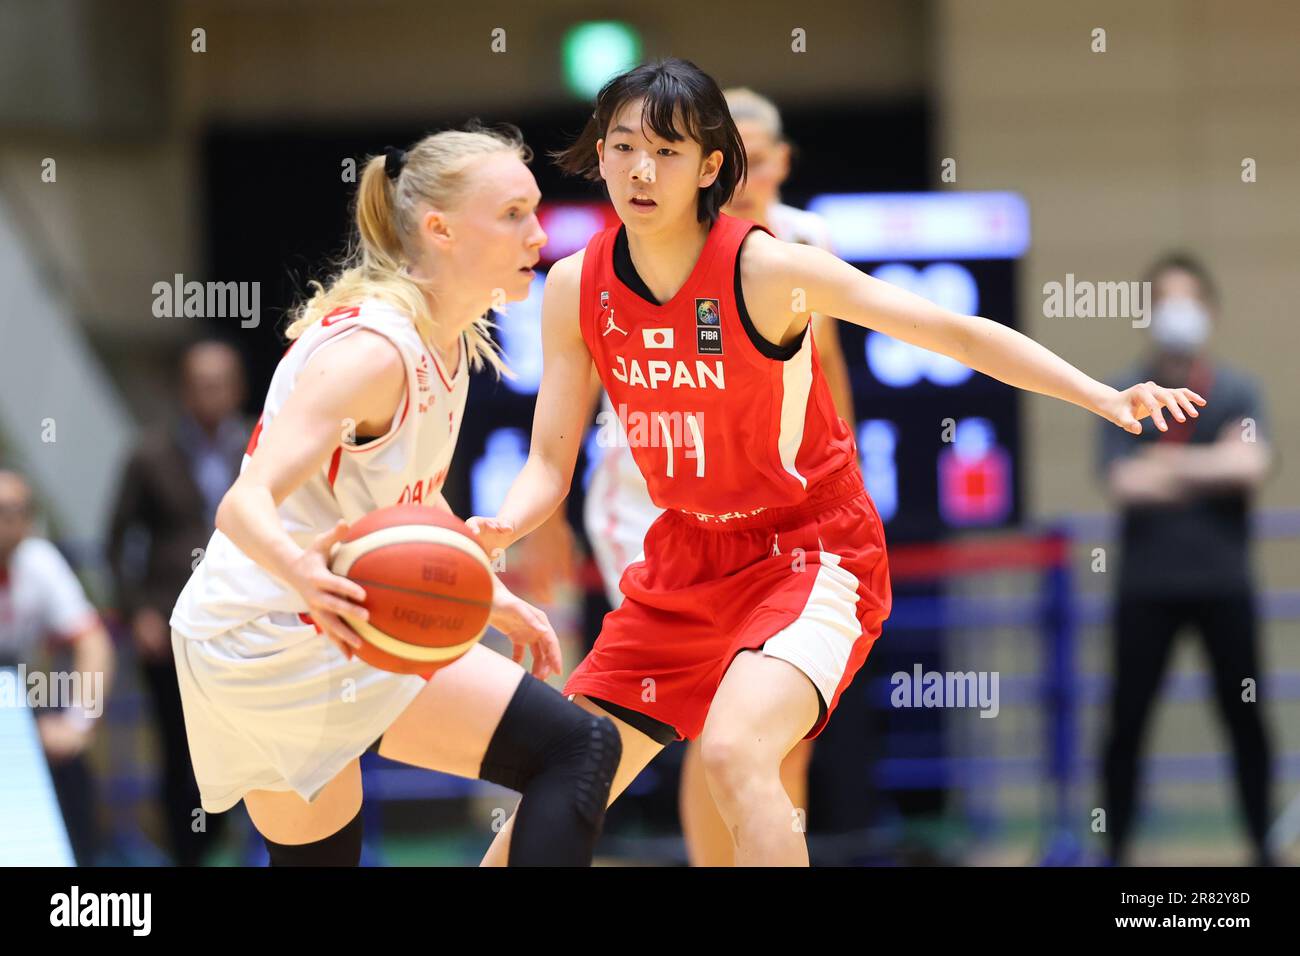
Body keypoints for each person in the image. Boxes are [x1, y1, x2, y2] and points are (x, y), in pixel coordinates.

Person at [472, 58, 1203, 866]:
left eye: (668, 152)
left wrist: (1098, 393)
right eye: (623, 147)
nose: (641, 171)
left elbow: (951, 333)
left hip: (809, 552)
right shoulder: (576, 287)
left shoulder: (767, 268)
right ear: (598, 154)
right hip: (683, 558)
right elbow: (549, 461)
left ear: (712, 167)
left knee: (736, 749)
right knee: (565, 774)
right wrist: (503, 522)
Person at [168, 125, 620, 867]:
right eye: (512, 214)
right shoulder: (376, 352)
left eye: (535, 211)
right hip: (266, 632)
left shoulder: (446, 338)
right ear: (438, 228)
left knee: (569, 749)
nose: (538, 233)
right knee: (575, 745)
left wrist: (483, 593)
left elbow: (403, 498)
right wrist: (301, 570)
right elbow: (242, 503)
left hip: (314, 614)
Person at [581, 84, 857, 865]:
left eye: (758, 161)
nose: (745, 178)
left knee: (765, 735)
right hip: (653, 507)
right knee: (706, 724)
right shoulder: (637, 244)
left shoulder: (797, 246)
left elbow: (828, 367)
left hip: (774, 514)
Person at [1098, 253, 1275, 866]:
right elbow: (1122, 482)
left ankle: (1263, 850)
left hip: (1224, 584)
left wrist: (1167, 465)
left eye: (1189, 300)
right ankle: (1116, 852)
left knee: (1247, 723)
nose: (1178, 313)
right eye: (1166, 300)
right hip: (1145, 588)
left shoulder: (1237, 390)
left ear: (1209, 311)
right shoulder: (1124, 393)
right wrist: (1210, 466)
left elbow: (1252, 464)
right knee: (1126, 726)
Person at [106, 339, 247, 864]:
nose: (209, 393)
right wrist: (136, 610)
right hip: (167, 628)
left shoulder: (262, 447)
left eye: (219, 382)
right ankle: (188, 856)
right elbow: (116, 543)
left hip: (245, 625)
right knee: (177, 750)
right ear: (183, 390)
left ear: (237, 388)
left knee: (246, 745)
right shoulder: (148, 454)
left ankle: (238, 847)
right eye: (199, 383)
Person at [0, 468, 116, 865]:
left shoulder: (40, 561)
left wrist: (78, 724)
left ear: (29, 521)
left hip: (17, 699)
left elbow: (93, 640)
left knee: (70, 774)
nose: (4, 521)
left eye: (14, 510)